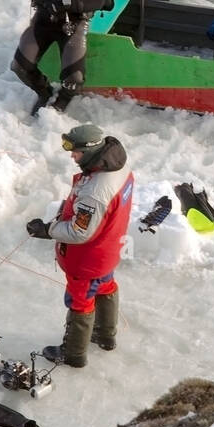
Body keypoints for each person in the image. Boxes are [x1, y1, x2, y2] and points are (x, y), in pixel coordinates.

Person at [26, 123, 134, 367]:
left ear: (92, 151)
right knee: (106, 285)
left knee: (80, 300)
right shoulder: (120, 168)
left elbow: (78, 231)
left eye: (75, 152)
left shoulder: (95, 191)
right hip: (110, 248)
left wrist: (47, 230)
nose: (72, 156)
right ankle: (105, 336)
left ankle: (73, 354)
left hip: (87, 259)